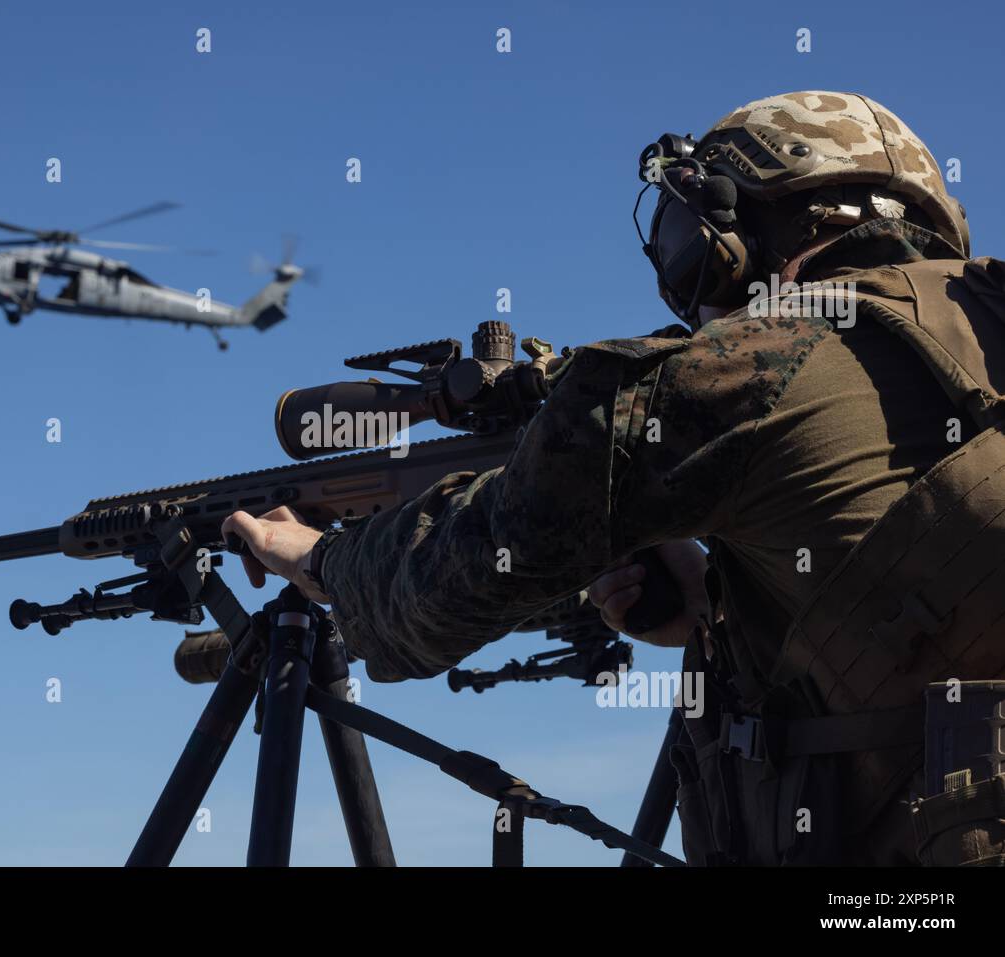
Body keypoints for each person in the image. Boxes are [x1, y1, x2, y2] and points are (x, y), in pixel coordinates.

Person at [222, 91, 1005, 866]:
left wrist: (318, 558)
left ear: (734, 239)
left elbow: (450, 586)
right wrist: (722, 609)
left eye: (683, 245)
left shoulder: (748, 364)